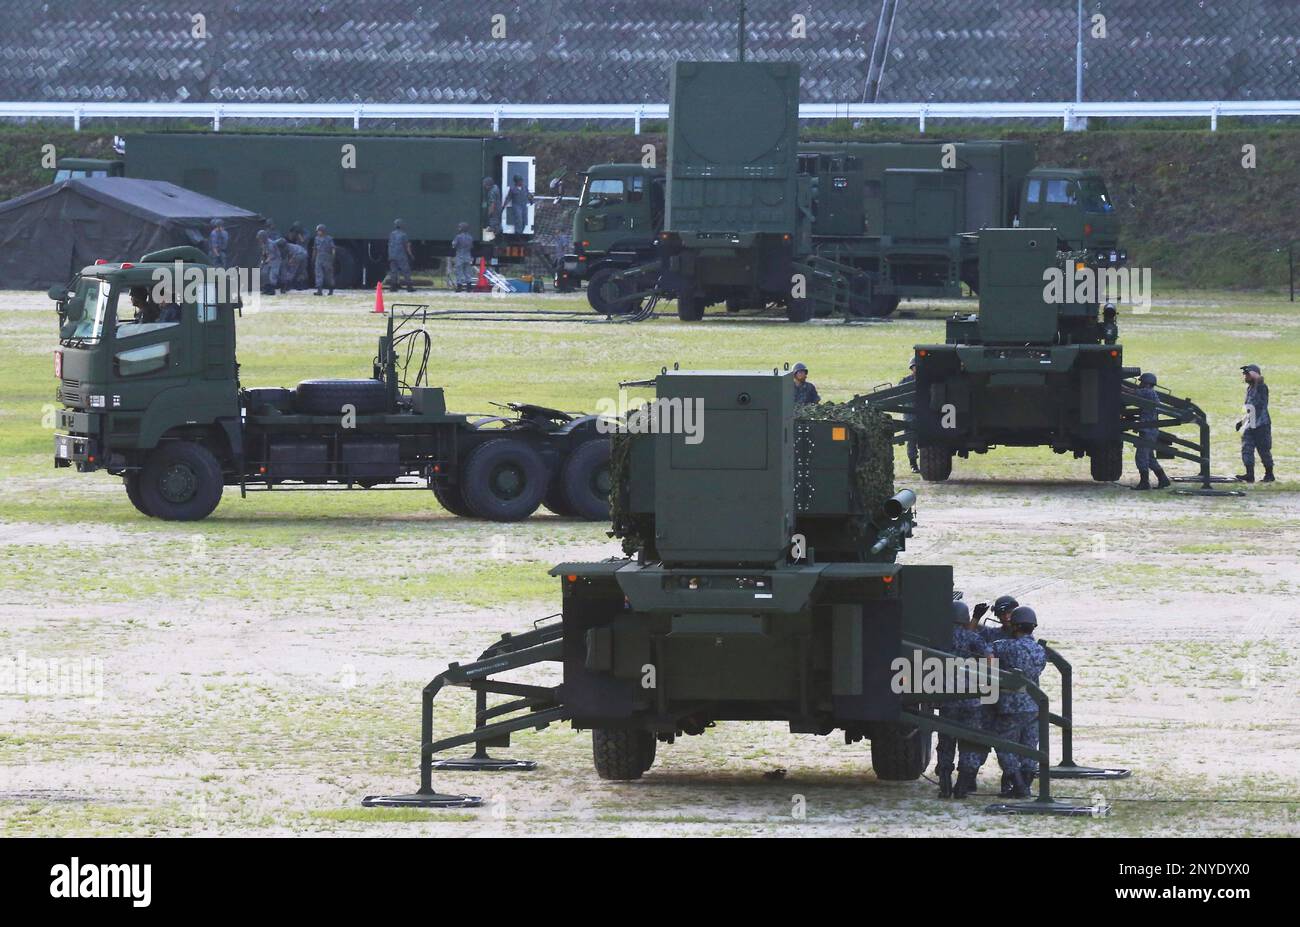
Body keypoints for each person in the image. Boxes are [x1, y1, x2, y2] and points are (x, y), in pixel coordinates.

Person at [959, 593, 1019, 796]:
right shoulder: (992, 634)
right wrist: (975, 617)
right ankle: (967, 779)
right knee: (979, 739)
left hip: (1012, 699)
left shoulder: (1023, 637)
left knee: (1010, 743)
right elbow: (967, 636)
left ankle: (1011, 781)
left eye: (1010, 613)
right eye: (1004, 614)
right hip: (989, 693)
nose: (1007, 618)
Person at [989, 606, 1047, 799]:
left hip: (1010, 705)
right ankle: (1027, 784)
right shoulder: (1040, 650)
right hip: (1033, 705)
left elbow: (987, 651)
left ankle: (1019, 785)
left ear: (1015, 625)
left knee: (1004, 745)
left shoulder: (1005, 646)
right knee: (1030, 747)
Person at [937, 601, 991, 799]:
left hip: (946, 697)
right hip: (971, 700)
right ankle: (962, 787)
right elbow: (989, 659)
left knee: (946, 742)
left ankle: (944, 785)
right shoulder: (973, 637)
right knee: (969, 742)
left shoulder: (940, 639)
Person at [1236, 364, 1275, 483]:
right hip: (1250, 423)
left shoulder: (1261, 387)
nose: (1245, 376)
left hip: (1262, 424)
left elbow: (1259, 381)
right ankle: (1249, 474)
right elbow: (1249, 408)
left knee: (1263, 450)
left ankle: (1269, 474)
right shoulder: (1249, 389)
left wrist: (1255, 375)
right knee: (1246, 448)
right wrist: (1241, 421)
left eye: (1247, 374)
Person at [1132, 372, 1170, 490]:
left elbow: (1132, 392)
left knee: (1141, 457)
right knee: (1149, 457)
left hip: (1148, 430)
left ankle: (1144, 483)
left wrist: (1119, 387)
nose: (1140, 384)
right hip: (1151, 430)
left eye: (1142, 382)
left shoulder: (1147, 392)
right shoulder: (1152, 393)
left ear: (1147, 383)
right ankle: (1163, 479)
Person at [901, 358, 919, 473]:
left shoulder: (928, 380)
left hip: (926, 415)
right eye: (914, 367)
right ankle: (913, 464)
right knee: (911, 440)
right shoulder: (905, 381)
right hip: (910, 415)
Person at [387, 219, 415, 292]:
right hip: (401, 256)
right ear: (402, 225)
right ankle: (409, 287)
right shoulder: (403, 235)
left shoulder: (391, 234)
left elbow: (389, 244)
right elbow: (407, 246)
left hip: (392, 255)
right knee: (406, 271)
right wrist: (411, 255)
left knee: (393, 271)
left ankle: (393, 287)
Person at [451, 222, 475, 292]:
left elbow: (454, 245)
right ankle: (469, 287)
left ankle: (459, 287)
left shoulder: (458, 237)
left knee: (459, 272)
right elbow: (471, 246)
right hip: (468, 256)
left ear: (462, 229)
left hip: (460, 256)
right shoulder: (470, 237)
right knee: (468, 272)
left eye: (459, 227)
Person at [312, 224, 336, 296]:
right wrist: (313, 258)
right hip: (319, 257)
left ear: (323, 231)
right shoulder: (316, 239)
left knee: (328, 274)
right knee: (318, 273)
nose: (318, 232)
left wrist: (333, 257)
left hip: (327, 257)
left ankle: (331, 290)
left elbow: (333, 248)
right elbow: (315, 249)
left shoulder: (329, 239)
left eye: (319, 231)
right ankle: (319, 290)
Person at [256, 229, 280, 295]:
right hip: (268, 260)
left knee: (272, 275)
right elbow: (264, 254)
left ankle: (272, 290)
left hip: (275, 260)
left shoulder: (271, 244)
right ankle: (266, 289)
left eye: (260, 238)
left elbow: (271, 255)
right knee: (264, 273)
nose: (259, 240)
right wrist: (261, 263)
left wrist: (264, 262)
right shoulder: (263, 244)